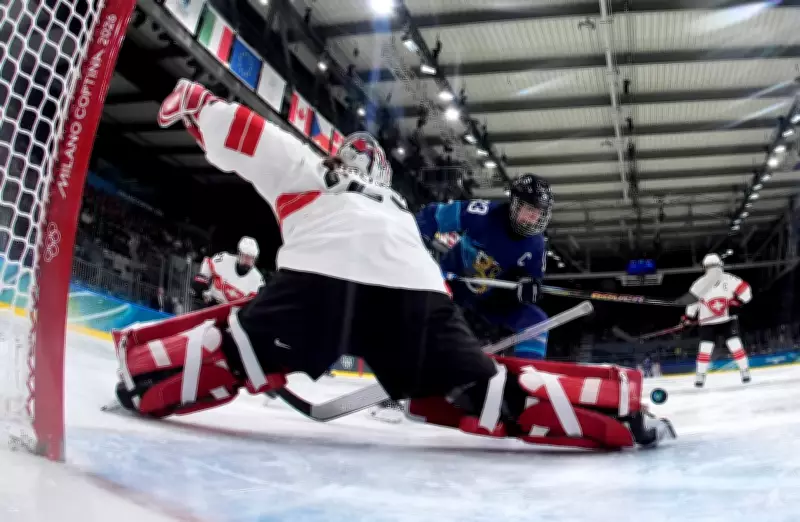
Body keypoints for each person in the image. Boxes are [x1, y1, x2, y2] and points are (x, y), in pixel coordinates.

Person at [109, 79, 673, 450]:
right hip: (415, 295)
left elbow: (256, 140)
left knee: (234, 349)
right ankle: (624, 417)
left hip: (319, 284)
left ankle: (140, 380)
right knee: (488, 392)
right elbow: (427, 257)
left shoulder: (319, 173)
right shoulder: (397, 207)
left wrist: (196, 106)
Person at [415, 174, 551, 359]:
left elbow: (532, 283)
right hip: (449, 289)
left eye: (538, 213)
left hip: (488, 304)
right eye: (529, 209)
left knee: (537, 321)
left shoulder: (537, 245)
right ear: (514, 204)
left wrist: (527, 289)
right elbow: (432, 216)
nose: (533, 217)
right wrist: (417, 243)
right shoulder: (481, 213)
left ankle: (527, 376)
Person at [683, 253, 752, 387]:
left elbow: (745, 292)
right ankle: (743, 371)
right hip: (710, 322)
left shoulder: (725, 280)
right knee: (709, 348)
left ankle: (743, 370)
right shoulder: (703, 283)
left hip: (725, 319)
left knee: (732, 345)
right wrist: (689, 317)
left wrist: (737, 302)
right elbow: (692, 303)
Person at [191, 237, 265, 306]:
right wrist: (202, 284)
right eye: (246, 257)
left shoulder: (258, 280)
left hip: (232, 315)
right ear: (239, 254)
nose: (248, 261)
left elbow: (255, 305)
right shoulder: (224, 259)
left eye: (252, 258)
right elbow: (208, 264)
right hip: (209, 303)